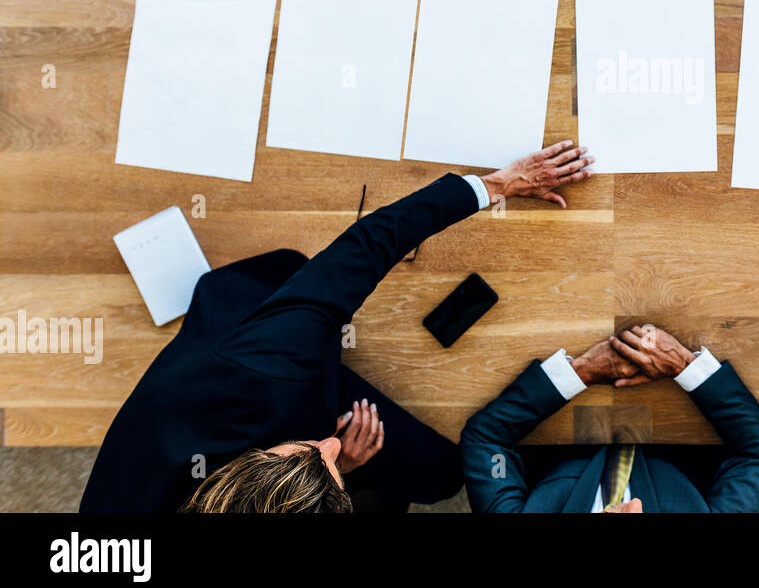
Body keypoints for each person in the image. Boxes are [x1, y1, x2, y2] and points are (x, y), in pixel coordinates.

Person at [80, 141, 595, 513]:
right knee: (439, 475)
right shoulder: (317, 449)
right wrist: (340, 468)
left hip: (255, 354)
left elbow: (366, 246)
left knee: (308, 308)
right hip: (279, 405)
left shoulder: (261, 368)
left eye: (311, 454)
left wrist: (499, 183)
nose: (329, 444)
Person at [460, 323, 759, 511]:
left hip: (564, 431)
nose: (635, 506)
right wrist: (685, 367)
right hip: (680, 432)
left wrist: (581, 372)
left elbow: (487, 440)